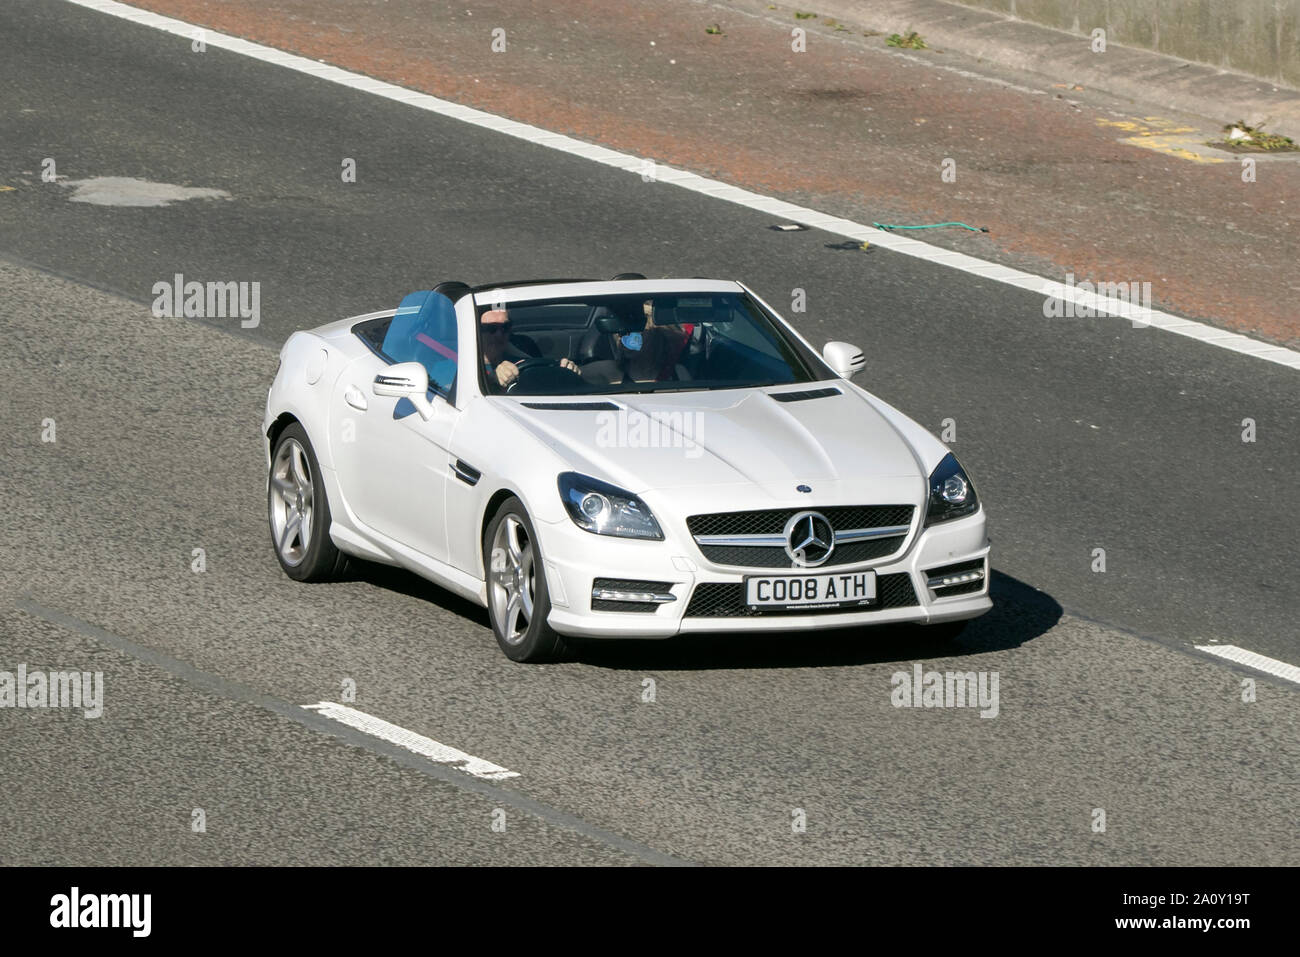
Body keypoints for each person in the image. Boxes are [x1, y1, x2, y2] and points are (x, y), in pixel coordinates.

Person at [479, 308, 578, 393]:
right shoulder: (470, 369)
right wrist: (491, 380)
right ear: (475, 331)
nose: (499, 335)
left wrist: (565, 371)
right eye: (491, 328)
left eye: (505, 327)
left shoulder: (524, 354)